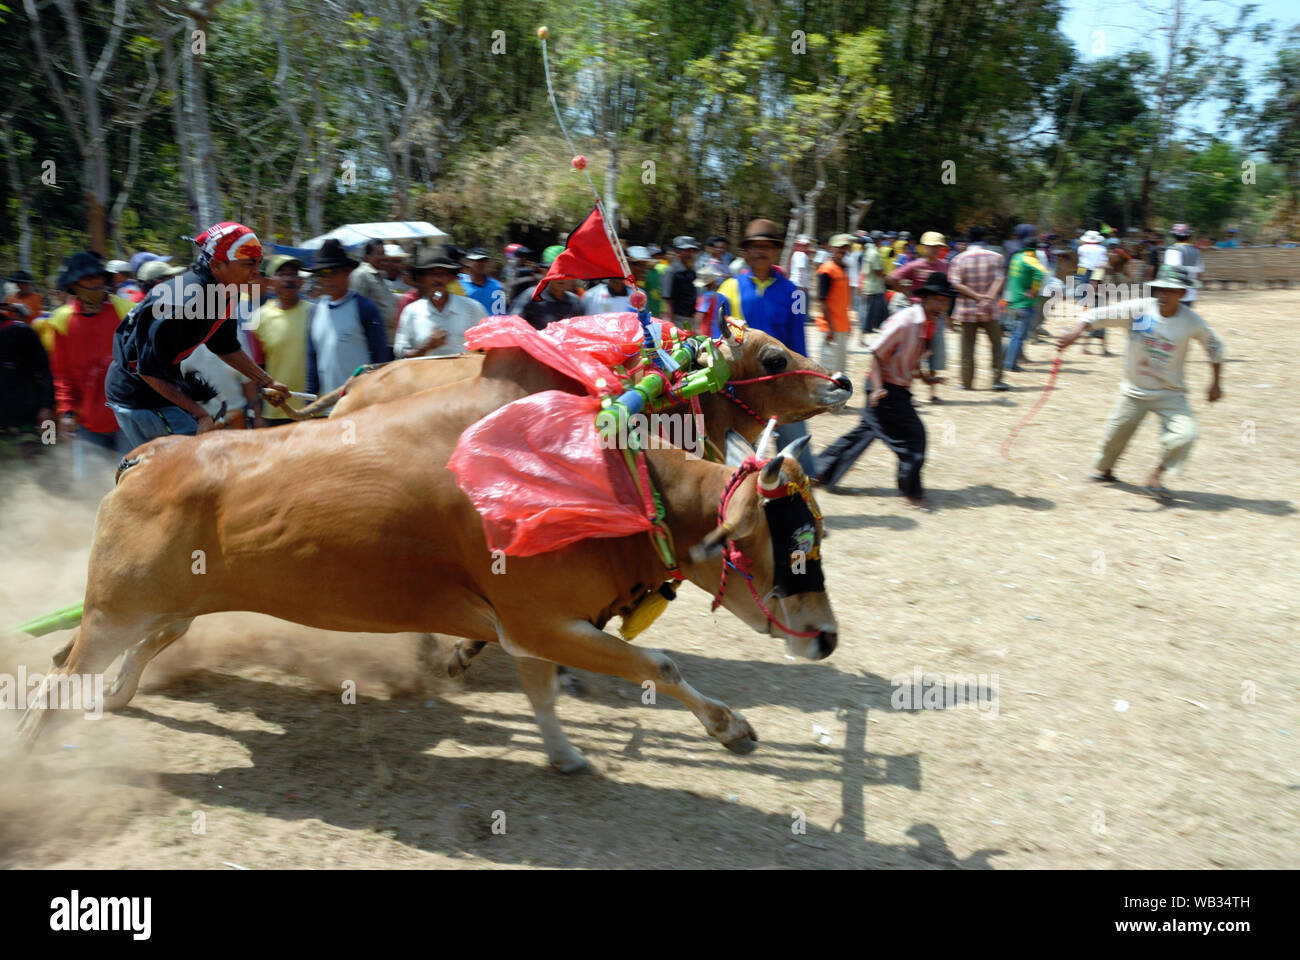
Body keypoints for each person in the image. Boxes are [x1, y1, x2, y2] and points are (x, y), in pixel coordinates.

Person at [104, 224, 290, 449]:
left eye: (259, 263)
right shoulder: (183, 300)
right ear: (216, 264)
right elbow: (148, 371)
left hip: (158, 385)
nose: (256, 272)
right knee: (197, 462)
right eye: (249, 263)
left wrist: (266, 381)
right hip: (137, 393)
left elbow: (225, 345)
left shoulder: (224, 292)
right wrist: (201, 414)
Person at [1057, 265, 1224, 499]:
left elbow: (1215, 347)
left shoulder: (1191, 321)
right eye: (1160, 289)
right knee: (1113, 439)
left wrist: (1216, 383)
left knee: (1186, 434)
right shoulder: (1139, 310)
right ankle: (1105, 471)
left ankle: (1156, 474)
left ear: (1183, 294)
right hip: (1134, 392)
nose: (1164, 294)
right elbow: (1098, 315)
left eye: (1171, 290)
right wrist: (1076, 331)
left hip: (1170, 393)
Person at [812, 272, 957, 506]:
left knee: (862, 434)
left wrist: (927, 379)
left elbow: (911, 358)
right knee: (914, 438)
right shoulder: (905, 321)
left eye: (945, 301)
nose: (941, 306)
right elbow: (877, 355)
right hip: (886, 390)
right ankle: (911, 492)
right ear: (925, 299)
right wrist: (878, 389)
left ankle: (818, 471)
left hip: (896, 388)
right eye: (937, 300)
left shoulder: (929, 325)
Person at [716, 218, 817, 474]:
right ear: (746, 251)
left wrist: (803, 381)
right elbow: (717, 338)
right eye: (754, 246)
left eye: (767, 246)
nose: (760, 251)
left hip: (783, 384)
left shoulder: (795, 293)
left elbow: (799, 339)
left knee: (794, 448)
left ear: (776, 251)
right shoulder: (727, 289)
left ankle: (799, 498)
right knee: (739, 456)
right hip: (744, 389)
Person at [48, 252, 135, 453]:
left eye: (98, 277)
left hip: (130, 418)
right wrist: (66, 412)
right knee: (89, 482)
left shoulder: (128, 312)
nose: (95, 283)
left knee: (133, 479)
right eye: (88, 278)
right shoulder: (62, 321)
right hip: (87, 421)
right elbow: (62, 375)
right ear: (73, 286)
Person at [303, 239, 391, 396]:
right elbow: (313, 361)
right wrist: (310, 401)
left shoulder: (364, 308)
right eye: (322, 273)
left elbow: (380, 359)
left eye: (333, 272)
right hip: (329, 407)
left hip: (360, 404)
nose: (328, 279)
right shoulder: (315, 311)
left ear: (347, 271)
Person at [246, 255, 312, 425]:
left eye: (294, 273)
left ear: (300, 280)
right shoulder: (257, 319)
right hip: (276, 412)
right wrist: (258, 415)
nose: (289, 279)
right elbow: (254, 371)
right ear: (270, 281)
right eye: (282, 274)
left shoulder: (316, 312)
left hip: (314, 409)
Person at [394, 247, 487, 358]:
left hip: (466, 374)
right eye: (432, 274)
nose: (438, 279)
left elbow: (488, 345)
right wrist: (426, 346)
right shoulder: (412, 312)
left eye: (443, 274)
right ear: (422, 279)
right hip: (424, 374)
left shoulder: (472, 308)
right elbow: (400, 353)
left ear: (450, 278)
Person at [0, 297, 54, 446]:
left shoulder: (22, 332)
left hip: (31, 419)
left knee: (50, 458)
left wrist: (47, 406)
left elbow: (47, 371)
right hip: (7, 428)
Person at [1002, 241, 1048, 373]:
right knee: (1019, 335)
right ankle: (1010, 364)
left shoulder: (1016, 257)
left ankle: (1004, 360)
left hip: (1013, 300)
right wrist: (1034, 289)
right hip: (1025, 302)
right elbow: (1041, 272)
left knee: (1011, 334)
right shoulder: (1029, 257)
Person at [814, 234, 854, 376]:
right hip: (831, 328)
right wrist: (830, 327)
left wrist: (848, 325)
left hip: (841, 325)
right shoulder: (827, 270)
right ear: (831, 248)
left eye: (845, 248)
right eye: (839, 248)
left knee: (840, 369)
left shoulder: (842, 269)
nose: (842, 251)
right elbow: (822, 300)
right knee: (828, 369)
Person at [349, 238, 399, 342]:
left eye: (384, 254)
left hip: (387, 338)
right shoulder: (361, 275)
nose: (383, 258)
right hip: (373, 339)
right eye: (379, 254)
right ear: (367, 257)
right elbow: (356, 308)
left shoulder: (378, 275)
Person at [509, 275, 583, 330]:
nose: (561, 277)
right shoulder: (532, 295)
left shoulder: (574, 300)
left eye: (566, 275)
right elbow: (514, 322)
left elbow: (579, 327)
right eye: (557, 273)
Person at [661, 236, 700, 328]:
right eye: (686, 250)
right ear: (677, 252)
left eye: (691, 251)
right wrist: (670, 325)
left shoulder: (692, 272)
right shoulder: (672, 272)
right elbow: (668, 300)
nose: (689, 254)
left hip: (691, 318)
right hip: (677, 319)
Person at [855, 230, 887, 345]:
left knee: (872, 315)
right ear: (878, 240)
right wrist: (887, 276)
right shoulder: (874, 253)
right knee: (870, 315)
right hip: (874, 288)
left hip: (872, 287)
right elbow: (878, 270)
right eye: (882, 240)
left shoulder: (869, 250)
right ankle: (862, 339)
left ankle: (864, 339)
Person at [1163, 223, 1204, 307]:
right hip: (1191, 293)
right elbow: (1199, 275)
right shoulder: (1197, 252)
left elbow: (1169, 272)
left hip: (1174, 293)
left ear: (1174, 236)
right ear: (1190, 236)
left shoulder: (1172, 250)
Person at [459, 248, 506, 316]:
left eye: (484, 260)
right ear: (468, 262)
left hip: (492, 326)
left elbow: (501, 314)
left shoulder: (497, 286)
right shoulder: (459, 285)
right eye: (477, 260)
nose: (481, 263)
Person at [692, 263, 729, 337]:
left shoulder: (705, 297)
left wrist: (695, 329)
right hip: (719, 332)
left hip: (705, 332)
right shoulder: (721, 296)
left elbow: (700, 315)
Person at [788, 235, 813, 306]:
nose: (806, 247)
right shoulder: (801, 255)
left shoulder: (796, 254)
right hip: (800, 286)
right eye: (805, 245)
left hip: (796, 284)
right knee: (800, 310)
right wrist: (801, 286)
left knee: (796, 309)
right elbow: (800, 271)